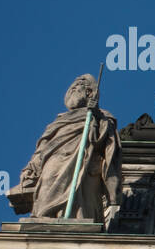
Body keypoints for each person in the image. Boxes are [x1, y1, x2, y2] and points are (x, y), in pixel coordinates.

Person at [12, 74, 121, 224]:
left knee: (80, 199)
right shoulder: (59, 121)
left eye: (78, 87)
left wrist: (95, 115)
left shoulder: (101, 117)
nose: (73, 90)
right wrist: (31, 170)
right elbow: (42, 149)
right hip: (54, 161)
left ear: (89, 92)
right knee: (47, 189)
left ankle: (75, 222)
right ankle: (45, 219)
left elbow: (105, 143)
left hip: (84, 162)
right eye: (71, 88)